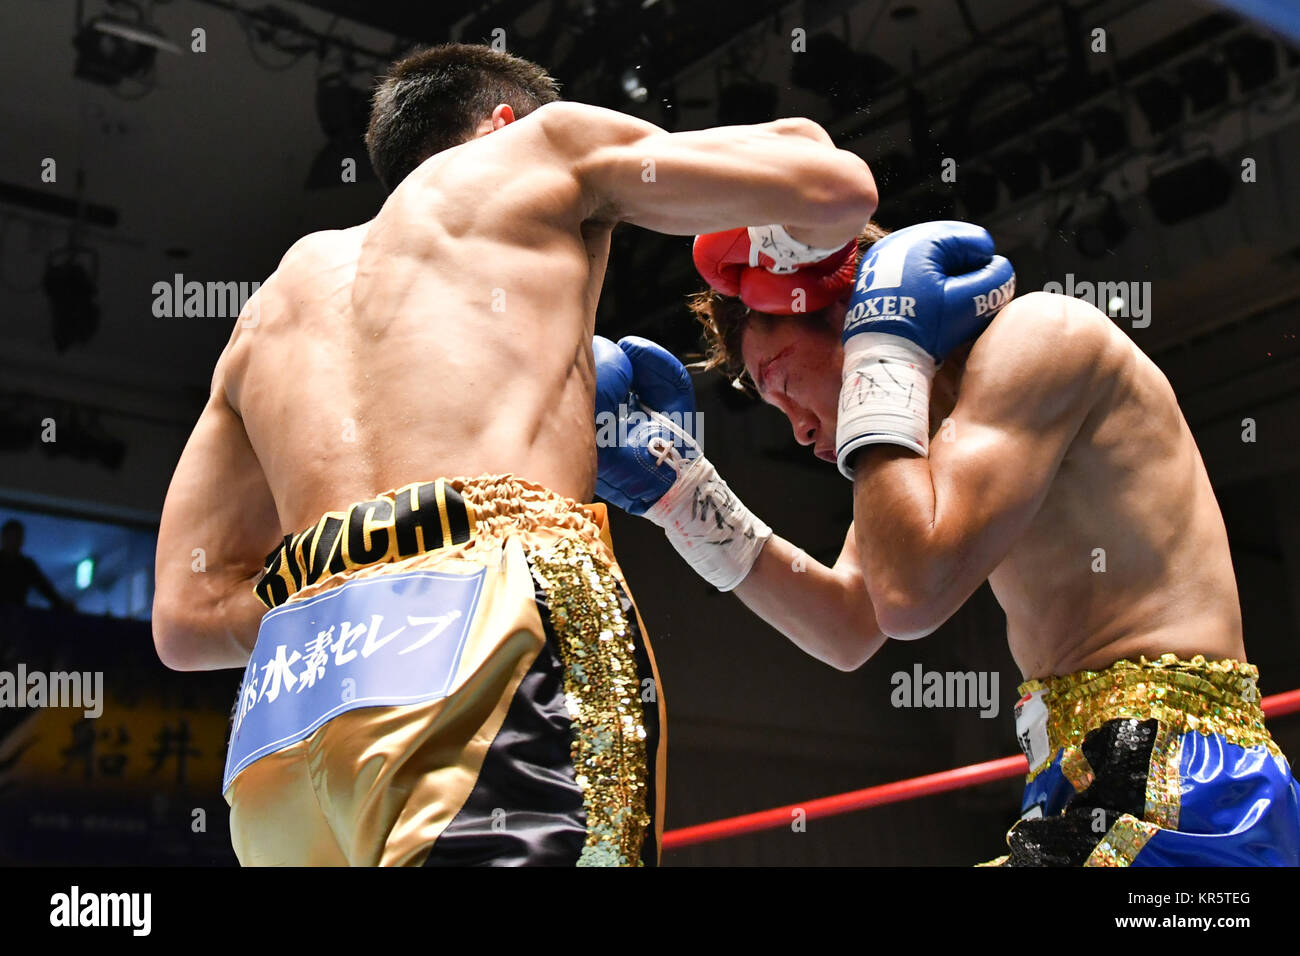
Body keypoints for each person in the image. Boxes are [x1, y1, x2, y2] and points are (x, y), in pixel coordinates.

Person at [150, 42, 878, 866]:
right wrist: (769, 241)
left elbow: (186, 620)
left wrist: (361, 580)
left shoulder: (274, 302)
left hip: (288, 725)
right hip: (492, 633)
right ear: (502, 123)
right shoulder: (543, 146)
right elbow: (836, 188)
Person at [595, 219, 1300, 865]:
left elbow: (907, 599)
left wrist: (881, 356)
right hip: (1083, 781)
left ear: (849, 314)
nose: (799, 430)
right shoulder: (925, 449)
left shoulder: (1043, 335)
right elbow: (847, 623)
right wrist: (685, 499)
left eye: (784, 383)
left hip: (1185, 781)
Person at [0, 519, 74, 611]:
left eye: (17, 538)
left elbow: (45, 588)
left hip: (15, 616)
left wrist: (62, 605)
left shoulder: (26, 566)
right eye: (11, 538)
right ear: (4, 538)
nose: (14, 542)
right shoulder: (26, 565)